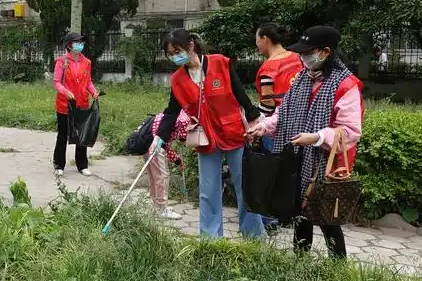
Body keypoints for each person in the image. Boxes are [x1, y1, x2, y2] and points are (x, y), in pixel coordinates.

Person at [248, 25, 363, 258]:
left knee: (326, 217)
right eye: (301, 53)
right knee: (300, 211)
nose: (303, 57)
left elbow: (350, 131)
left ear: (325, 52)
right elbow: (284, 113)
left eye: (308, 52)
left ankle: (338, 266)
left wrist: (318, 137)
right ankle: (300, 263)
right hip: (298, 158)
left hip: (325, 163)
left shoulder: (345, 85)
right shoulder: (302, 78)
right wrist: (264, 126)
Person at [153, 29, 265, 239]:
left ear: (191, 45)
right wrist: (160, 137)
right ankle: (210, 238)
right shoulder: (177, 79)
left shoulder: (220, 63)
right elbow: (171, 112)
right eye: (170, 54)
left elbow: (240, 93)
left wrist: (254, 118)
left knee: (244, 185)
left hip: (233, 133)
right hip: (204, 138)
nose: (174, 56)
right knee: (208, 191)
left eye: (177, 50)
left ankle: (254, 236)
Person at [254, 22, 302, 231]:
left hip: (275, 126)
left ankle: (268, 219)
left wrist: (255, 123)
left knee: (269, 171)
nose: (256, 45)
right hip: (300, 123)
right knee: (291, 171)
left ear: (265, 39)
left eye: (257, 40)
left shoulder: (268, 68)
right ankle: (290, 215)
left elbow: (267, 104)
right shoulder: (298, 59)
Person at [53, 32, 100, 177]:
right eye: (76, 42)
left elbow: (88, 81)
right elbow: (56, 83)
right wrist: (65, 92)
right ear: (69, 45)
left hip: (82, 103)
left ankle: (82, 165)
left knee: (82, 134)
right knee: (63, 135)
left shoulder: (87, 62)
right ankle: (58, 165)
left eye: (81, 42)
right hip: (65, 105)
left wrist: (94, 92)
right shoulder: (62, 61)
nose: (80, 44)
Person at [145, 110, 190, 220]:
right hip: (156, 147)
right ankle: (161, 209)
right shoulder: (184, 118)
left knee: (154, 177)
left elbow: (166, 143)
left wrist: (176, 159)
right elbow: (181, 139)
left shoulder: (176, 113)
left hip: (147, 143)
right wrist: (184, 139)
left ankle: (156, 207)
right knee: (162, 177)